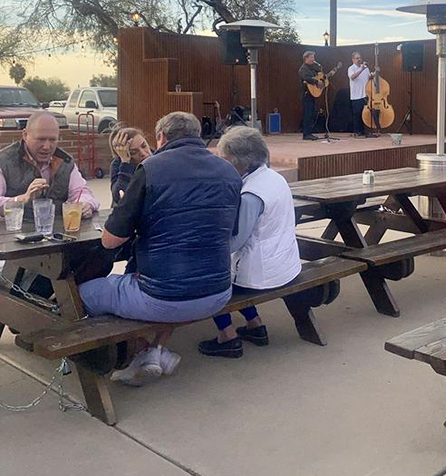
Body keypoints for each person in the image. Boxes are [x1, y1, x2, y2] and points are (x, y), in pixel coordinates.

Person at [79, 111, 241, 385]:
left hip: (165, 298)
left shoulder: (151, 170)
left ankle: (136, 350)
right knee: (163, 286)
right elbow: (232, 232)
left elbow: (110, 240)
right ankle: (152, 351)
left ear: (161, 137)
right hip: (218, 293)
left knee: (82, 293)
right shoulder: (229, 171)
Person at [198, 126, 302, 358]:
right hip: (286, 264)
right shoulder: (274, 178)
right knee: (232, 270)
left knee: (208, 278)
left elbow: (234, 242)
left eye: (223, 159)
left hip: (264, 274)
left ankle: (227, 335)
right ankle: (254, 324)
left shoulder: (251, 194)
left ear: (237, 162)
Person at [0, 110, 99, 219]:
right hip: (15, 232)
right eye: (41, 139)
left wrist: (85, 204)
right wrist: (22, 199)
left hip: (58, 230)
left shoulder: (65, 161)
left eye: (52, 140)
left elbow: (82, 192)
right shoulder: (4, 161)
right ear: (25, 135)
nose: (47, 146)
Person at [109, 125, 152, 206]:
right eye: (133, 152)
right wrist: (125, 163)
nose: (143, 153)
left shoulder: (158, 157)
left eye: (144, 146)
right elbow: (119, 197)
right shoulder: (118, 164)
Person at [347, 51, 375, 137]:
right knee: (357, 114)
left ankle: (363, 130)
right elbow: (353, 77)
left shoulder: (366, 68)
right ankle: (357, 131)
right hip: (356, 95)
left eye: (360, 58)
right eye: (357, 58)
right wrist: (361, 69)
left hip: (365, 94)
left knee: (365, 114)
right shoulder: (351, 68)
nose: (359, 59)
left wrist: (373, 74)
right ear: (353, 60)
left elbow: (369, 77)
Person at [298, 50, 322, 141]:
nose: (313, 59)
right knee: (307, 114)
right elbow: (307, 78)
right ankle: (306, 134)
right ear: (306, 58)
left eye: (313, 57)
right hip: (306, 93)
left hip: (312, 93)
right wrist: (316, 81)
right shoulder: (303, 69)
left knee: (312, 113)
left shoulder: (312, 68)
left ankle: (310, 132)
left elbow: (317, 74)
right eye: (311, 57)